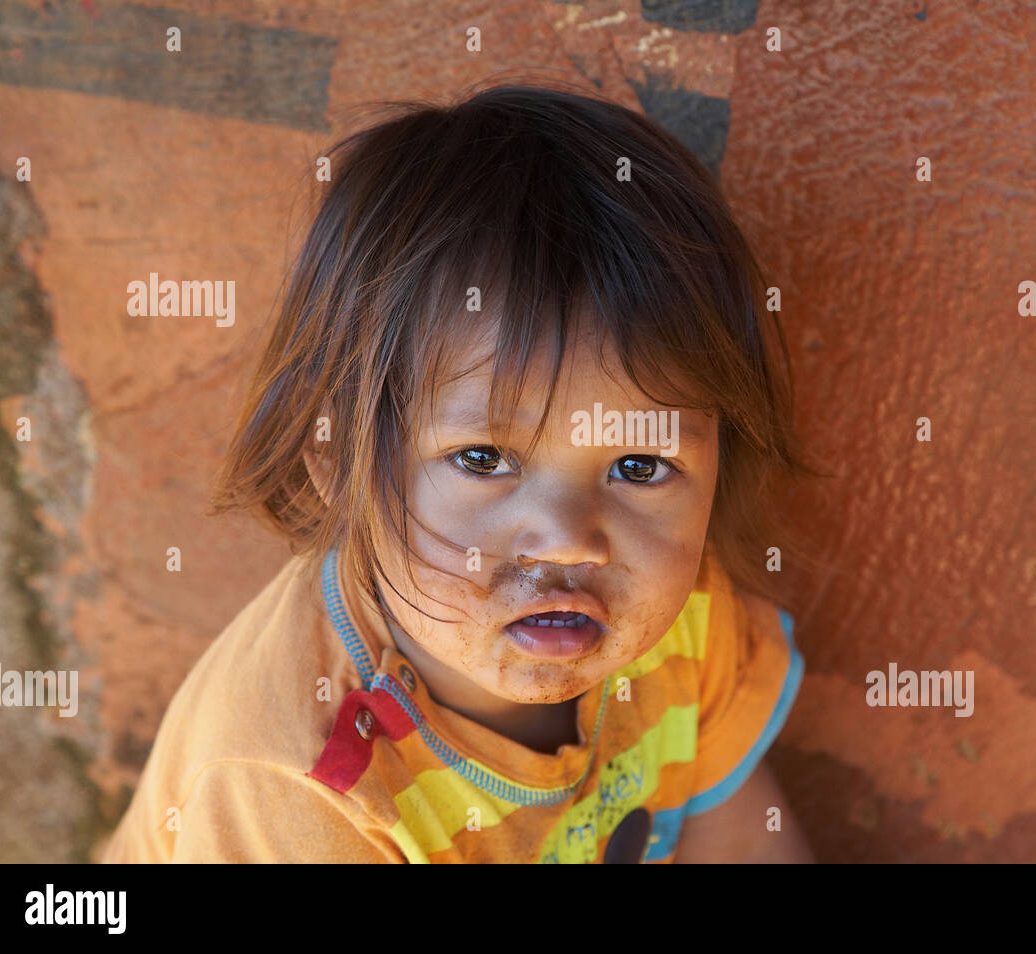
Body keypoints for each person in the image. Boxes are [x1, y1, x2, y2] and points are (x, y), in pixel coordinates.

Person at [100, 83, 814, 863]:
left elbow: (740, 840)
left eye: (639, 465)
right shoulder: (296, 781)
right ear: (334, 456)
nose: (569, 543)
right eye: (483, 459)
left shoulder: (682, 618)